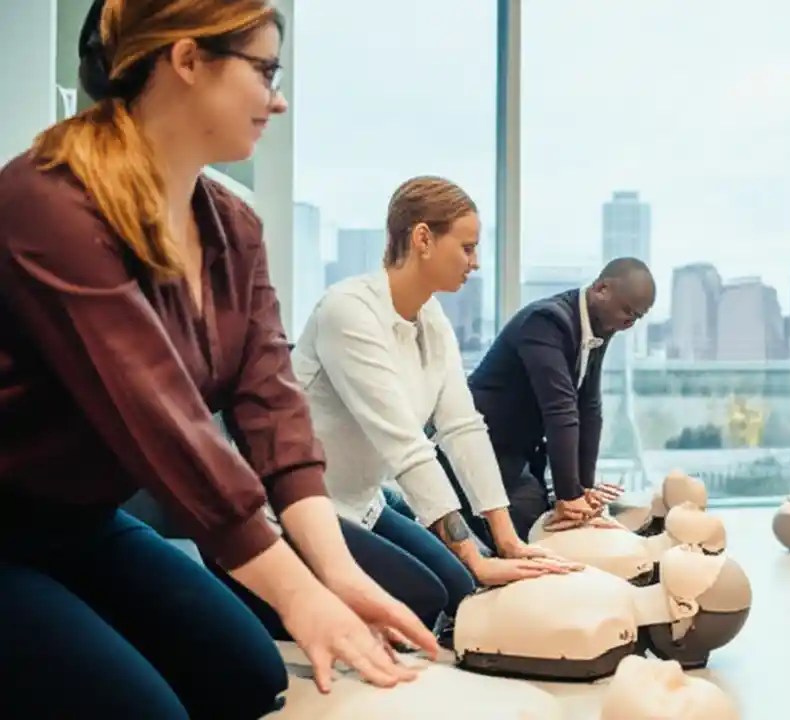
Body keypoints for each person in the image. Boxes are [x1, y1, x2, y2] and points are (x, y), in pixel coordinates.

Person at [0, 2, 437, 717]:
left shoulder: (232, 226)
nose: (279, 96)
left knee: (243, 673)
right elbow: (164, 419)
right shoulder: (47, 201)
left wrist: (334, 574)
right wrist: (298, 597)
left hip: (82, 520)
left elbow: (272, 405)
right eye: (264, 71)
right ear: (187, 60)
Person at [289, 175, 577, 628]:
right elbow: (406, 446)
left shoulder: (431, 317)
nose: (475, 262)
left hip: (363, 504)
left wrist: (507, 542)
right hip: (303, 511)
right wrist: (473, 556)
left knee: (461, 588)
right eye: (466, 248)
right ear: (423, 238)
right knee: (431, 594)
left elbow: (462, 427)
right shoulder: (348, 312)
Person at [464, 259, 656, 542]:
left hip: (519, 451)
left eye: (636, 317)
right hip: (480, 448)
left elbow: (588, 407)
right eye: (626, 311)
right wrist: (570, 495)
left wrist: (583, 489)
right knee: (535, 528)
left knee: (556, 519)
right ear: (602, 288)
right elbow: (561, 409)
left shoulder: (600, 326)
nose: (628, 324)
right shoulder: (545, 321)